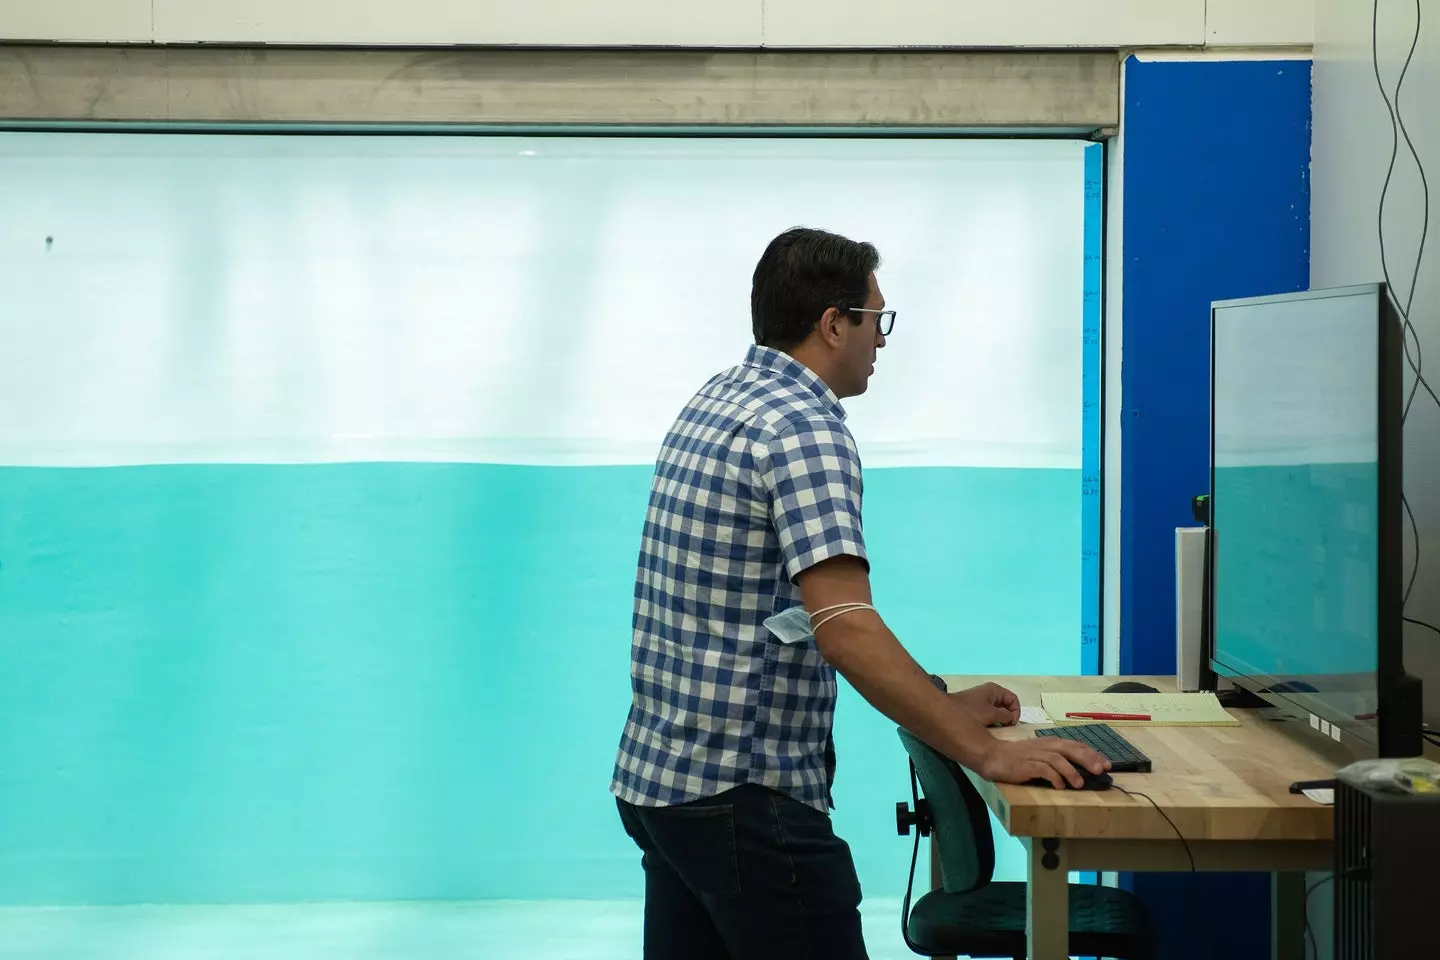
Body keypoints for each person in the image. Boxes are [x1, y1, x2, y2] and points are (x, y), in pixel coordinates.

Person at [610, 227, 1108, 960]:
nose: (881, 339)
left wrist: (940, 708)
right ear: (833, 323)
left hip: (663, 783)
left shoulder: (720, 400)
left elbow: (776, 615)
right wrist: (986, 754)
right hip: (742, 798)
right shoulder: (805, 428)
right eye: (876, 320)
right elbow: (845, 626)